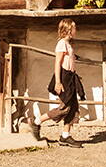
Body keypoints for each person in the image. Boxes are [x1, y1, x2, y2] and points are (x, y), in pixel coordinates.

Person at [28, 19, 85, 147]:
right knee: (64, 108)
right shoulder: (61, 44)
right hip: (64, 77)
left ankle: (65, 136)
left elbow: (68, 59)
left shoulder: (68, 44)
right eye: (74, 28)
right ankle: (36, 121)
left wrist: (74, 58)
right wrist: (58, 82)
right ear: (68, 29)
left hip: (70, 77)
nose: (76, 30)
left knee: (73, 108)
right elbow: (57, 63)